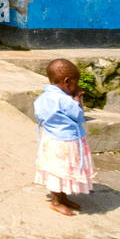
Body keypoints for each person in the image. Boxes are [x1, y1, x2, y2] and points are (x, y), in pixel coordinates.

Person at [33, 59, 93, 216]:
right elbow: (79, 116)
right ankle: (56, 202)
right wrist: (77, 98)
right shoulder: (65, 100)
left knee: (57, 170)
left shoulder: (43, 98)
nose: (76, 86)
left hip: (51, 139)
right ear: (67, 82)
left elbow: (39, 115)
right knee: (61, 171)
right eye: (75, 83)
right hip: (66, 142)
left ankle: (62, 197)